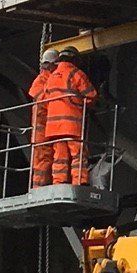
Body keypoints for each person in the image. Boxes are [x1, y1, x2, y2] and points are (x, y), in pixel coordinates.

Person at [28, 46, 98, 187]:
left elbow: (46, 97)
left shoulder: (50, 78)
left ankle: (58, 182)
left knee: (59, 156)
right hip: (70, 125)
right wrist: (79, 102)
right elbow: (91, 96)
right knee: (78, 153)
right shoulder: (75, 73)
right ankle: (79, 181)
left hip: (52, 128)